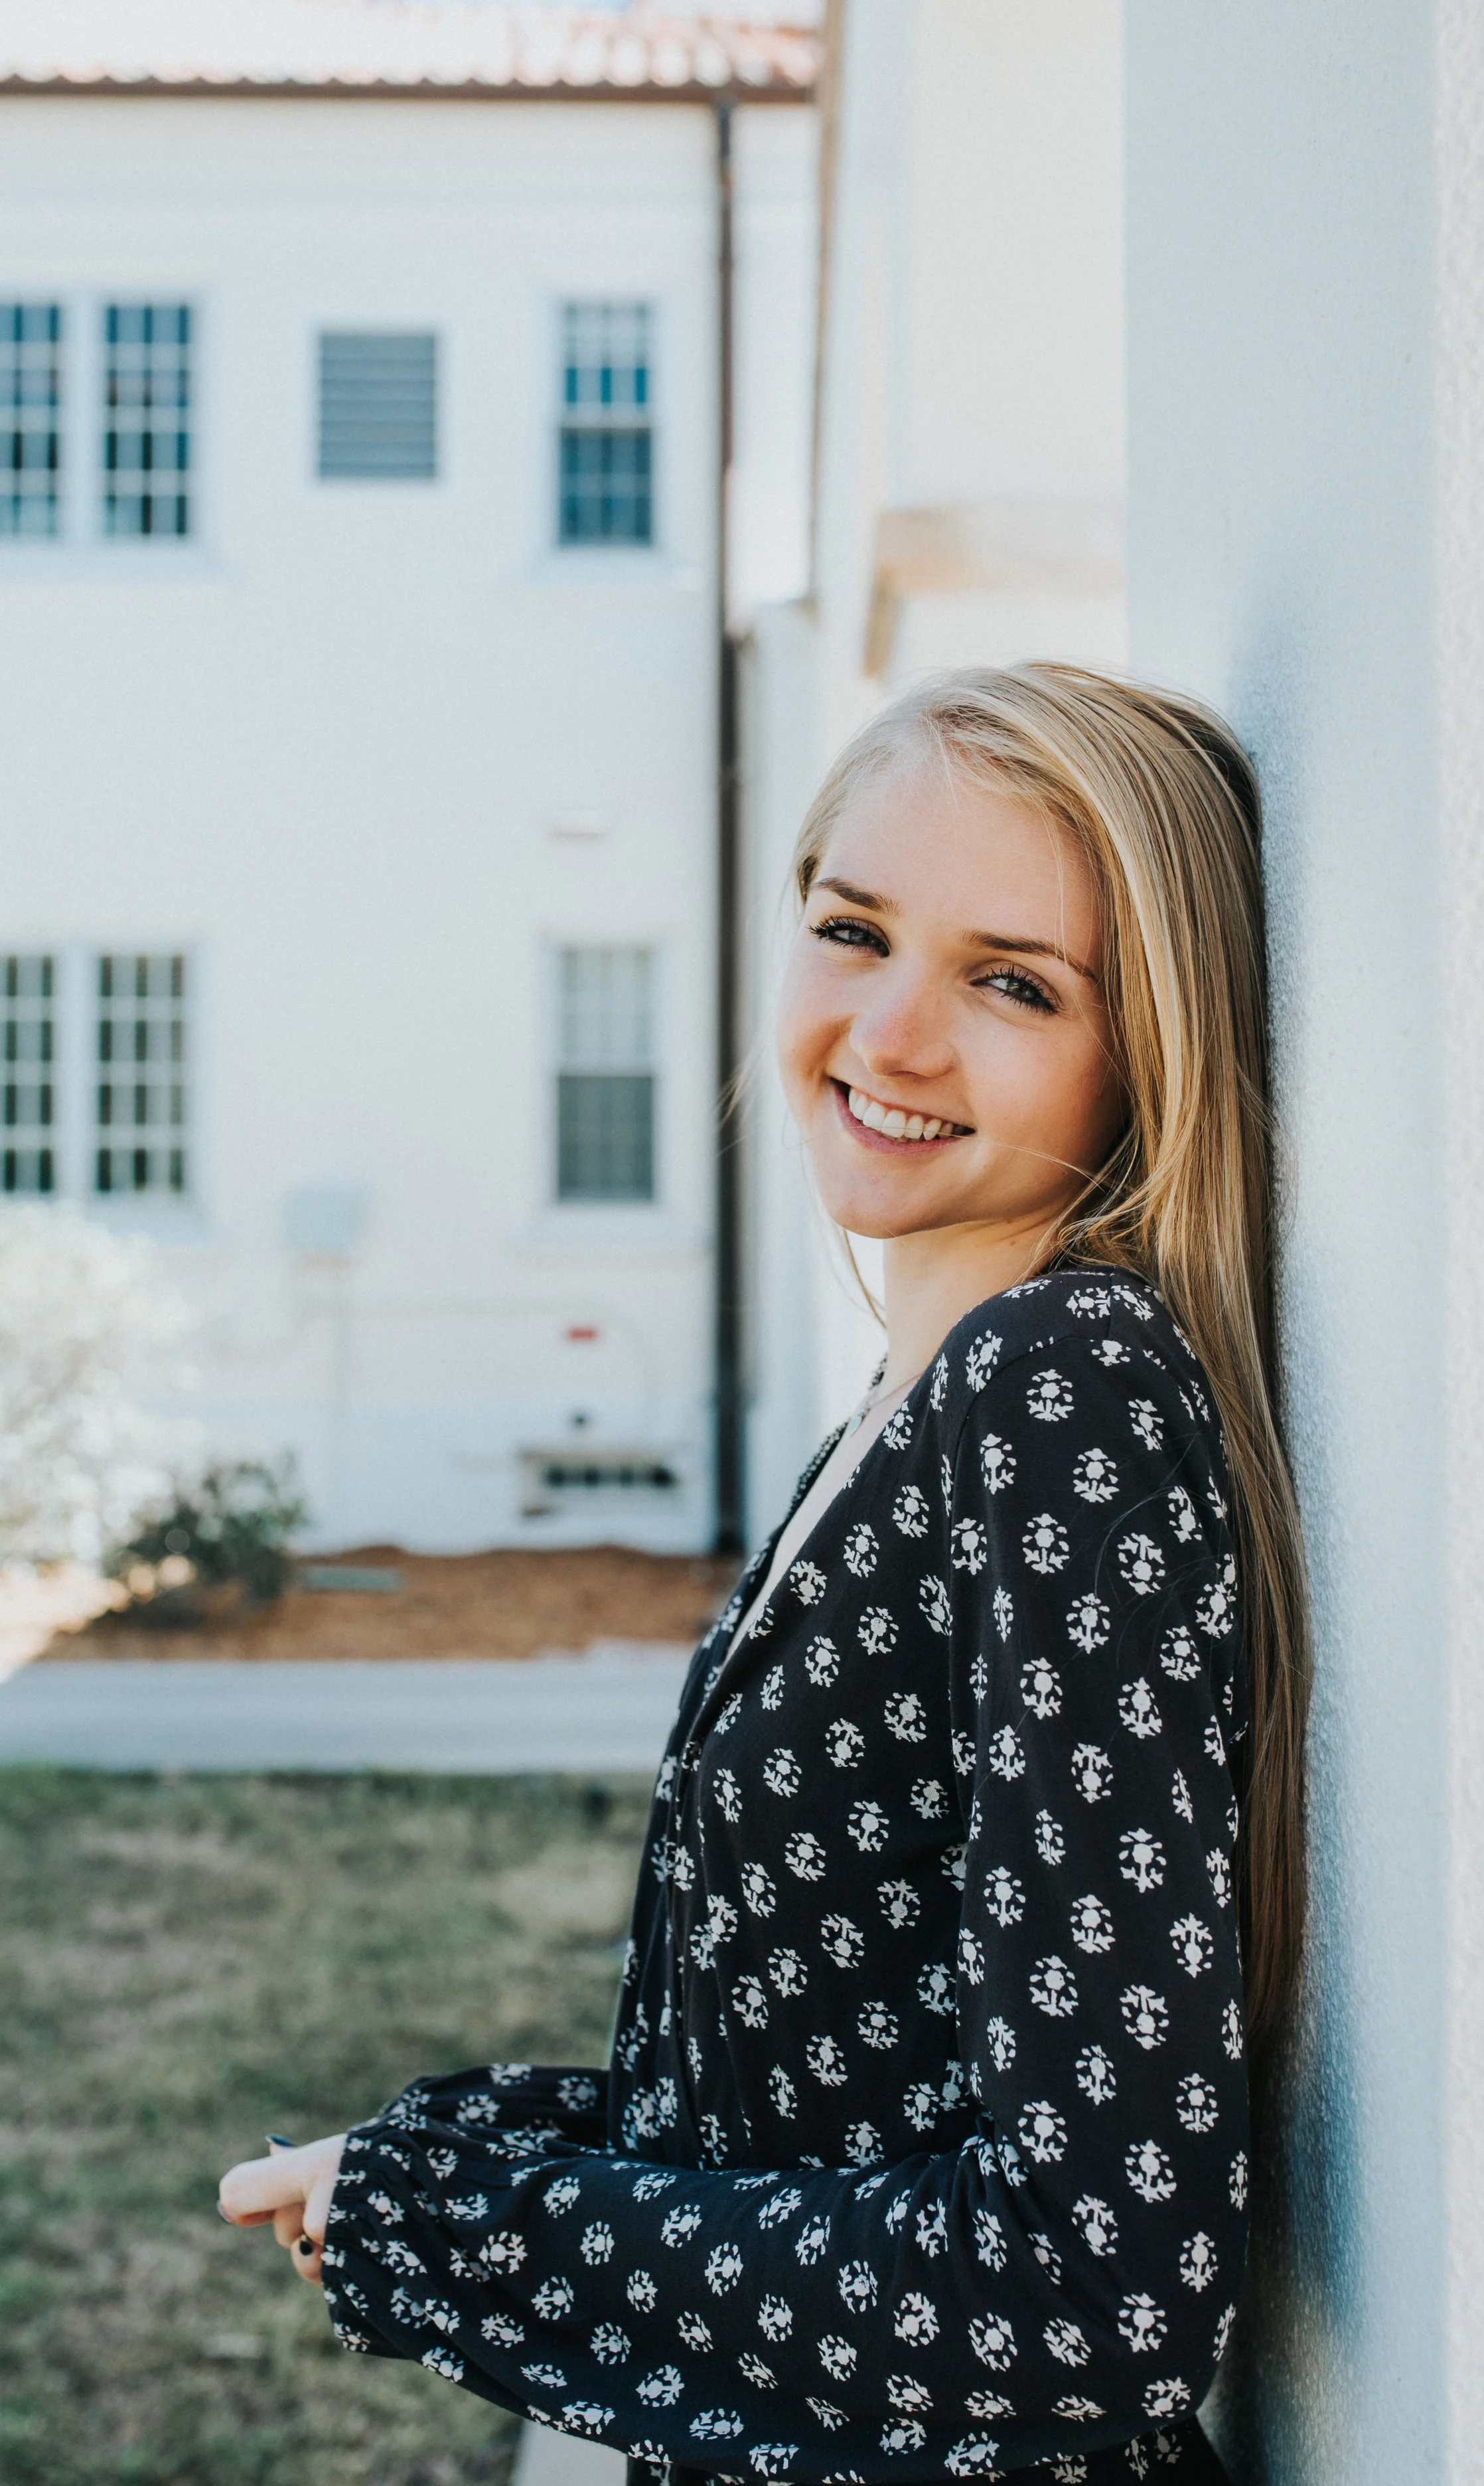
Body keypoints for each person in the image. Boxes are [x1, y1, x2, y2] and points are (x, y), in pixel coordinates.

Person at [219, 664, 1309, 2484]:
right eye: (850, 930)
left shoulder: (1063, 1393)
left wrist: (475, 2228)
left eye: (1012, 981)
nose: (888, 1034)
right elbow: (823, 2103)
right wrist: (441, 2173)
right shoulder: (917, 1399)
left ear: (1150, 1051)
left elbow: (1092, 2289)